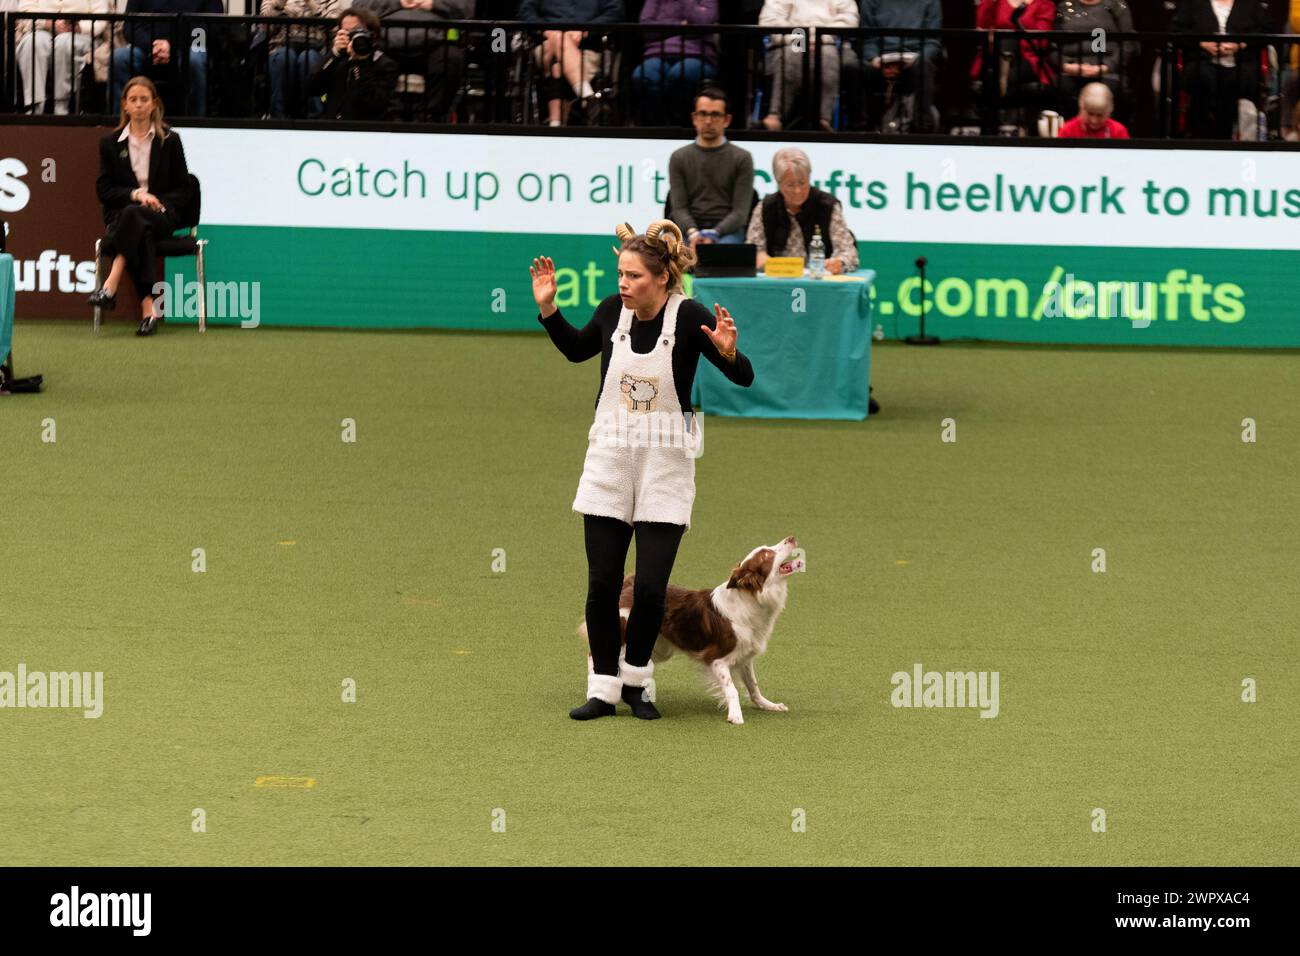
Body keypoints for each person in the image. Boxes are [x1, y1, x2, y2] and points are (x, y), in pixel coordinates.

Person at [530, 221, 755, 720]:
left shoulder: (691, 315)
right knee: (603, 584)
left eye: (633, 276)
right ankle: (603, 688)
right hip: (609, 460)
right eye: (619, 274)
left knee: (652, 587)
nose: (622, 284)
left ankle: (637, 684)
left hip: (665, 465)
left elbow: (743, 377)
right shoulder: (613, 312)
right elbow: (576, 349)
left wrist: (727, 351)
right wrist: (548, 308)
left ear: (662, 278)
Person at [88, 76, 192, 336]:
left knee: (136, 220)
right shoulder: (110, 144)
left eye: (144, 100)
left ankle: (110, 285)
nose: (139, 105)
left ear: (154, 104)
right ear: (124, 105)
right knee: (139, 228)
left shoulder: (170, 140)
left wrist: (158, 203)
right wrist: (137, 195)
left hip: (162, 216)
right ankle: (149, 312)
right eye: (133, 100)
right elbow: (104, 190)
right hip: (126, 217)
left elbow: (183, 187)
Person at [352, 0, 471, 121]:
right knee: (367, 56)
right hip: (385, 45)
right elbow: (358, 8)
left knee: (451, 58)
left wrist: (433, 4)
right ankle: (385, 116)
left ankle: (430, 120)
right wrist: (397, 3)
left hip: (435, 44)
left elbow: (465, 9)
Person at [667, 88, 754, 250]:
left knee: (721, 252)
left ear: (726, 120)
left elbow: (740, 214)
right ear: (694, 118)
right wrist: (694, 233)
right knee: (668, 249)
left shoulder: (742, 158)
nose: (708, 121)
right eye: (702, 114)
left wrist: (714, 234)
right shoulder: (678, 157)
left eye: (715, 114)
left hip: (727, 232)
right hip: (689, 230)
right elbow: (679, 208)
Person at [745, 147, 857, 274]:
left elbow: (848, 252)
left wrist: (839, 263)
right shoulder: (765, 208)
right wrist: (766, 261)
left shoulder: (828, 206)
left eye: (802, 183)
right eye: (790, 185)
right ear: (778, 183)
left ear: (809, 178)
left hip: (819, 280)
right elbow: (754, 251)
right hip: (778, 280)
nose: (797, 190)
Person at [1173, 0, 1273, 139]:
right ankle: (1200, 137)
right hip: (1202, 62)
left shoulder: (1250, 4)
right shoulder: (1194, 3)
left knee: (1233, 83)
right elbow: (1177, 31)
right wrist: (1202, 44)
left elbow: (1267, 30)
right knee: (1203, 79)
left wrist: (1240, 45)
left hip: (1240, 64)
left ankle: (1225, 137)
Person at [518, 0, 625, 126]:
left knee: (557, 67)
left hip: (586, 49)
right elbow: (525, 11)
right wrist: (545, 30)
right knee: (559, 37)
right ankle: (588, 97)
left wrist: (585, 31)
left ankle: (555, 124)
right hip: (547, 46)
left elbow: (615, 12)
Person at [758, 0, 860, 131]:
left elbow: (849, 20)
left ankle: (823, 119)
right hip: (790, 42)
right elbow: (770, 21)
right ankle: (776, 116)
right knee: (792, 54)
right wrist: (802, 40)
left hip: (827, 43)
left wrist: (818, 39)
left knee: (827, 55)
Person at [110, 0, 221, 117]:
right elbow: (130, 25)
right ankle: (120, 122)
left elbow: (211, 25)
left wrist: (172, 45)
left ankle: (197, 121)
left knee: (195, 60)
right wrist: (153, 46)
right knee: (120, 58)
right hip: (149, 47)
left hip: (189, 45)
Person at [630, 0, 720, 126]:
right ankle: (661, 126)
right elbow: (646, 27)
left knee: (679, 75)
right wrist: (680, 25)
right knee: (642, 76)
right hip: (658, 52)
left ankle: (682, 125)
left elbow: (702, 23)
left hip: (697, 53)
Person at [858, 0, 942, 133]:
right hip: (881, 56)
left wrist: (916, 59)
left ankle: (922, 128)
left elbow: (933, 41)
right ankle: (864, 128)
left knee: (924, 66)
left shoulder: (931, 2)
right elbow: (867, 38)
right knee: (857, 68)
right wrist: (874, 59)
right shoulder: (870, 2)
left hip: (915, 58)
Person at [306, 7, 400, 119]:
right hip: (331, 127)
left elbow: (374, 104)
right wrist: (334, 54)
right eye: (346, 32)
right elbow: (311, 88)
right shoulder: (338, 59)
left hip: (363, 129)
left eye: (357, 32)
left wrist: (360, 63)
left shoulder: (385, 65)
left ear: (373, 35)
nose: (352, 37)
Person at [14, 0, 106, 114]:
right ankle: (35, 106)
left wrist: (78, 27)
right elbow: (25, 11)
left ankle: (61, 107)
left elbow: (101, 18)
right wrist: (48, 23)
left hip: (80, 34)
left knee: (64, 43)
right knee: (33, 43)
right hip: (42, 29)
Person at [1054, 0, 1136, 117]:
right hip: (1070, 71)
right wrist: (1066, 65)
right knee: (1061, 88)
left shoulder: (1117, 6)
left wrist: (1107, 66)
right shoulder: (1063, 7)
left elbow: (1128, 43)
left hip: (1107, 72)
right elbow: (1052, 44)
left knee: (1106, 92)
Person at [261, 0, 339, 119]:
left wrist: (312, 5)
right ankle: (277, 116)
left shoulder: (330, 1)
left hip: (317, 50)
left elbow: (334, 29)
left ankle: (314, 117)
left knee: (308, 59)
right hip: (281, 46)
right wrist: (278, 5)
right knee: (284, 57)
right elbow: (265, 28)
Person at [1056, 80, 1128, 137]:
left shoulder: (1118, 131)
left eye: (1100, 115)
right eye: (1090, 114)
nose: (1094, 121)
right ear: (1082, 108)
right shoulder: (1068, 130)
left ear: (1109, 112)